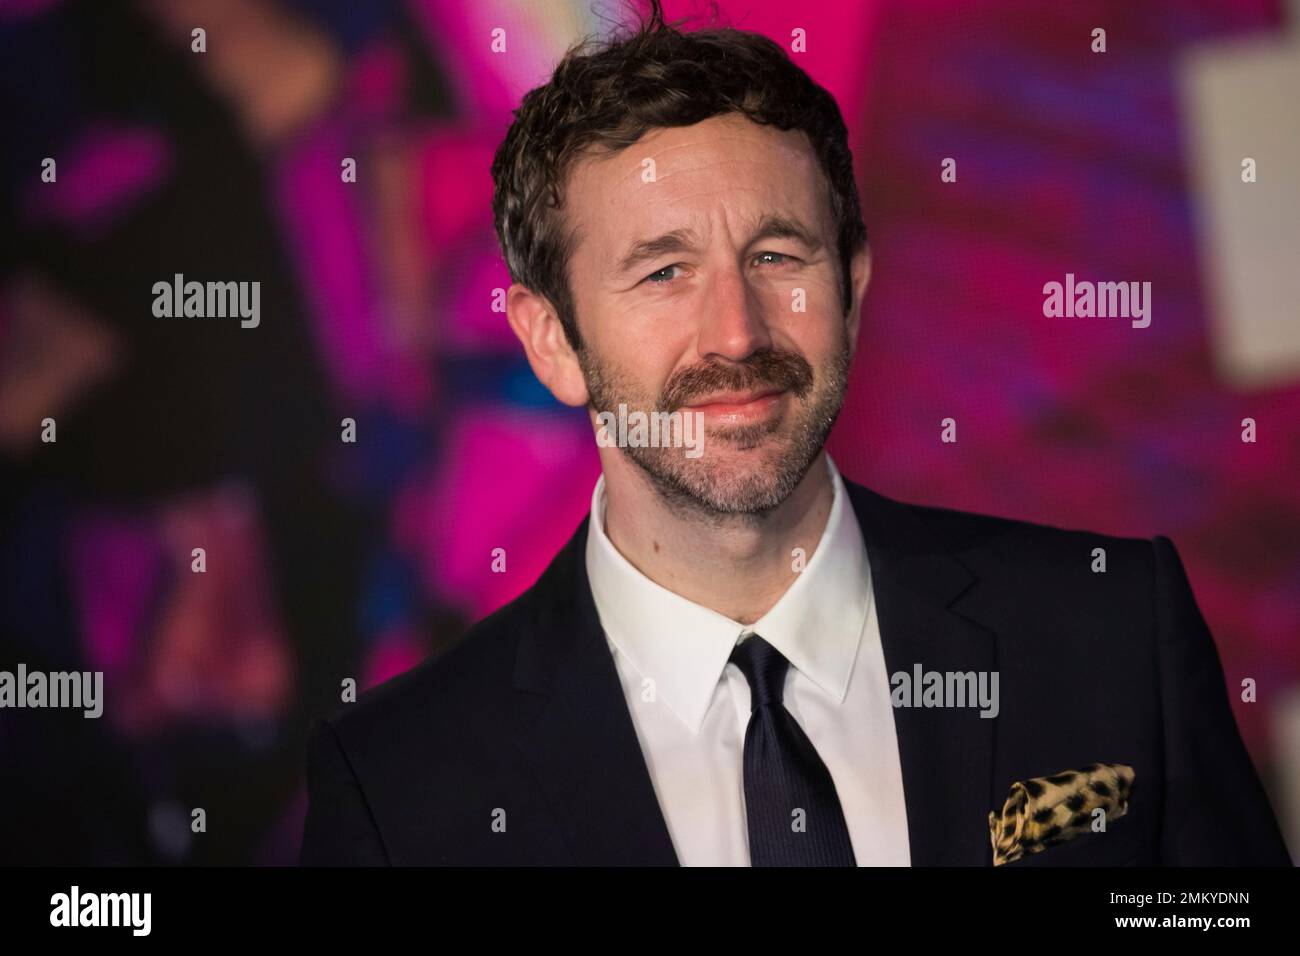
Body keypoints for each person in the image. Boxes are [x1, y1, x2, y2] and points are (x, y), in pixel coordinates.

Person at [300, 1, 1291, 866]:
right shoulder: (403, 784)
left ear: (852, 289)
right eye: (662, 272)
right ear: (549, 339)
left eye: (777, 254)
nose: (736, 332)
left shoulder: (1112, 640)